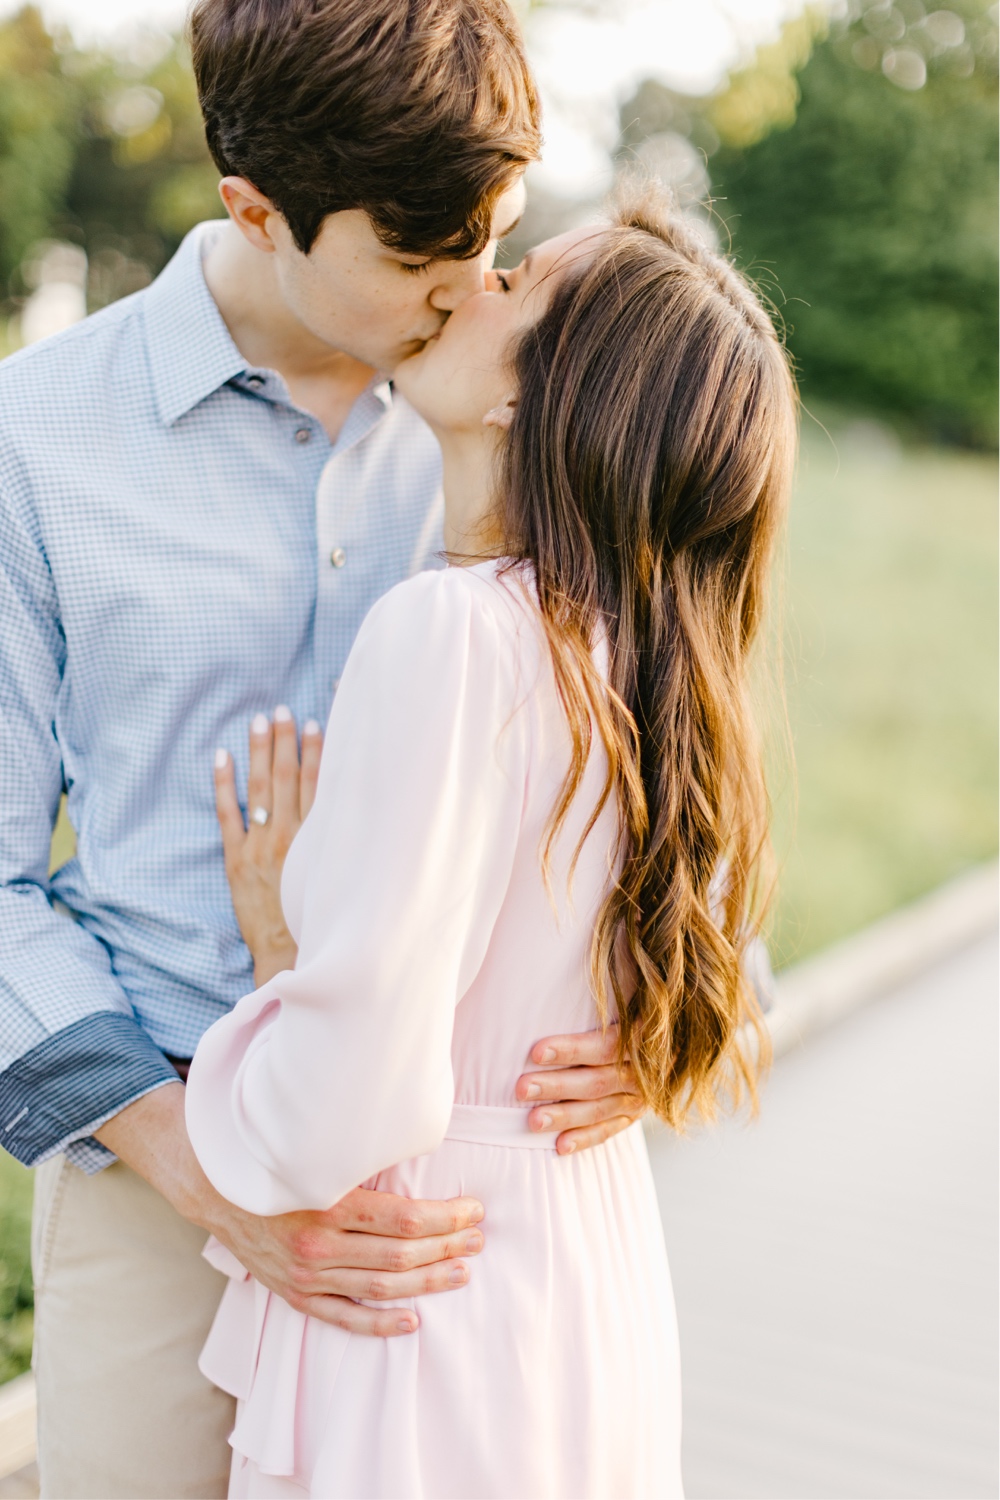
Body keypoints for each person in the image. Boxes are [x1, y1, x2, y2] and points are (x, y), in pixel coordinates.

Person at [0, 4, 644, 1495]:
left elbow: (659, 715)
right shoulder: (34, 440)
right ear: (254, 210)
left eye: (491, 237)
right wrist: (215, 1186)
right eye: (417, 264)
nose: (469, 288)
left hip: (457, 1196)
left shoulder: (525, 396)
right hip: (157, 1166)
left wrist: (679, 996)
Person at [184, 187, 798, 1499]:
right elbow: (710, 960)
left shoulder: (451, 635)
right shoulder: (655, 668)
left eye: (517, 284)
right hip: (586, 1270)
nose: (471, 282)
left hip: (426, 1282)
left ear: (546, 396)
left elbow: (343, 1103)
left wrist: (279, 936)